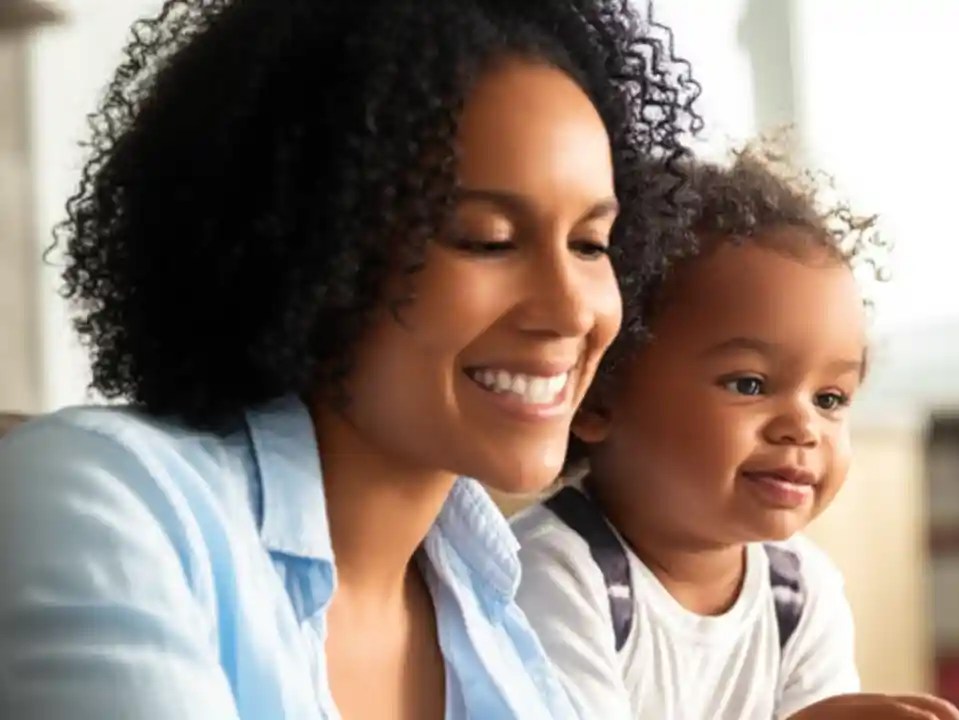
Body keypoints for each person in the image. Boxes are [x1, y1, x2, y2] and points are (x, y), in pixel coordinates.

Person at [0, 1, 701, 718]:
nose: (570, 310)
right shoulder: (103, 497)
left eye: (591, 244)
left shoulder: (504, 638)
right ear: (311, 247)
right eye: (487, 240)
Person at [511, 144, 959, 720]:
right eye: (750, 384)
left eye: (830, 399)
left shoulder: (798, 594)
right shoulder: (553, 574)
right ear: (599, 395)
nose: (803, 426)